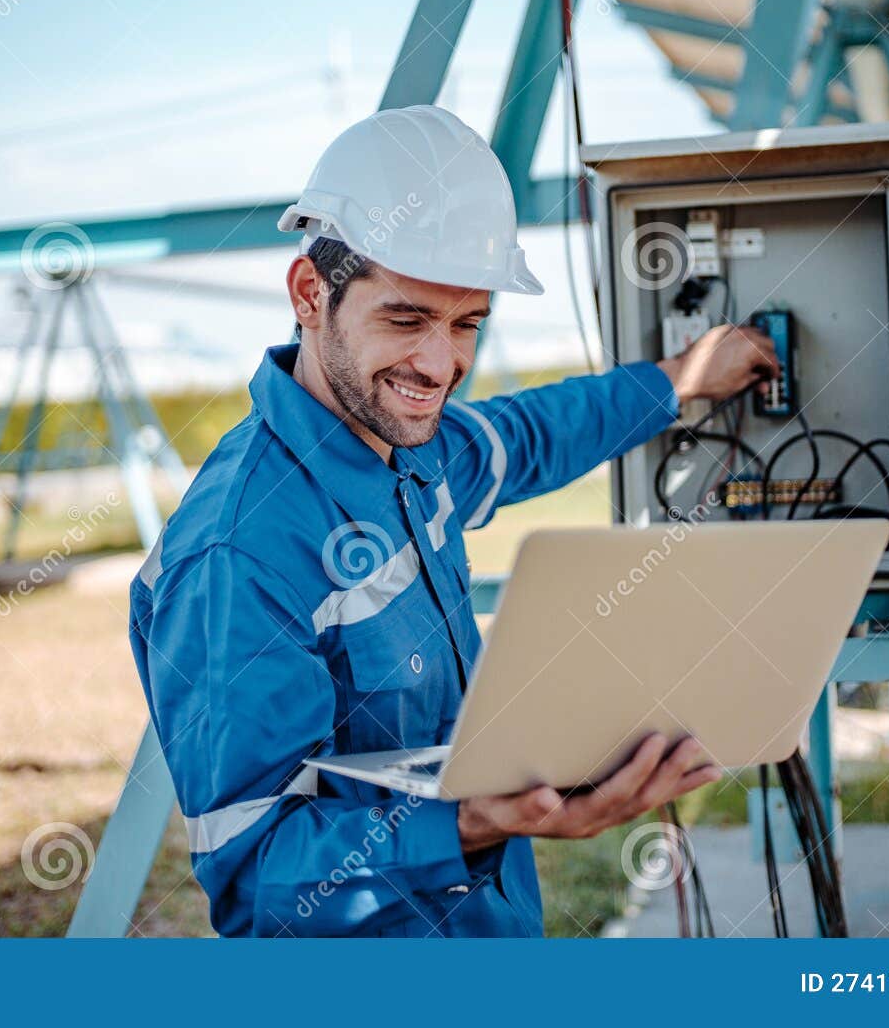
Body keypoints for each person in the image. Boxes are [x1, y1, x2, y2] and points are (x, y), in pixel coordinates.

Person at [128, 104, 778, 936]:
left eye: (465, 323)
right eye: (405, 318)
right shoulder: (238, 552)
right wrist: (475, 822)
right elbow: (256, 879)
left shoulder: (408, 449)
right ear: (308, 293)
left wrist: (680, 378)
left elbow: (532, 433)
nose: (440, 365)